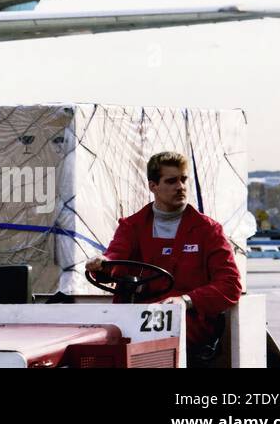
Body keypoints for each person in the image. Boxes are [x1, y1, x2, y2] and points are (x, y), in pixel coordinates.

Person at [86, 151, 242, 361]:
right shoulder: (132, 226)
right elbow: (115, 257)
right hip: (137, 318)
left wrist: (186, 301)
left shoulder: (208, 230)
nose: (180, 187)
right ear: (153, 186)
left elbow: (230, 284)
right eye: (171, 181)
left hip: (187, 322)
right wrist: (102, 264)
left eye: (183, 179)